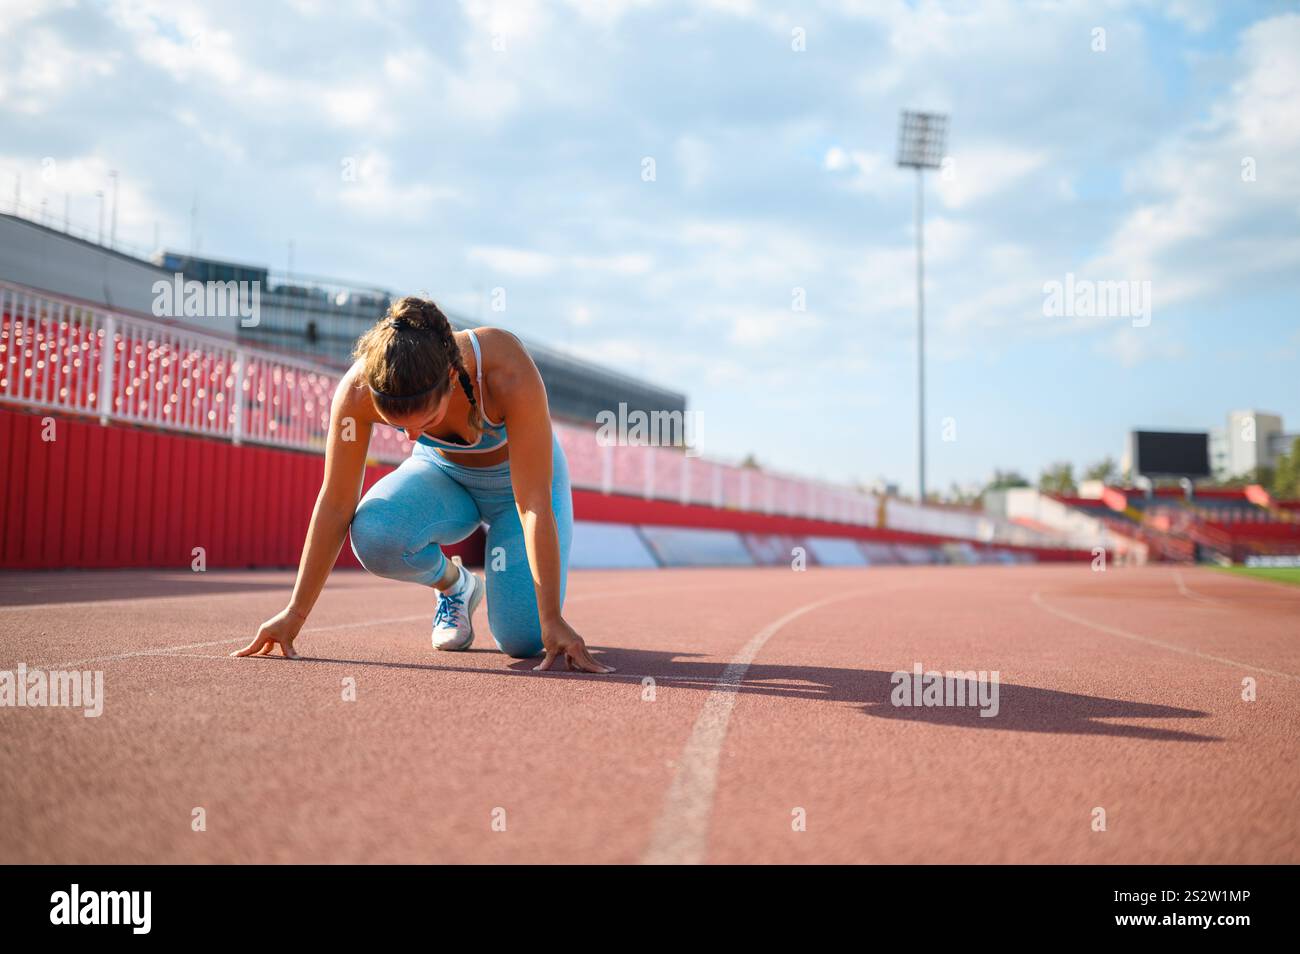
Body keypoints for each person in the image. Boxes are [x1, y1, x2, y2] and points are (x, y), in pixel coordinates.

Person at [233, 295, 614, 674]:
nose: (411, 436)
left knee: (523, 641)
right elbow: (336, 503)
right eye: (397, 424)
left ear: (451, 377)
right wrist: (294, 614)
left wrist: (552, 618)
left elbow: (532, 501)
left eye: (424, 421)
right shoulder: (357, 392)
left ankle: (530, 620)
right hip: (443, 476)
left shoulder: (503, 367)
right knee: (375, 535)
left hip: (518, 491)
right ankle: (455, 586)